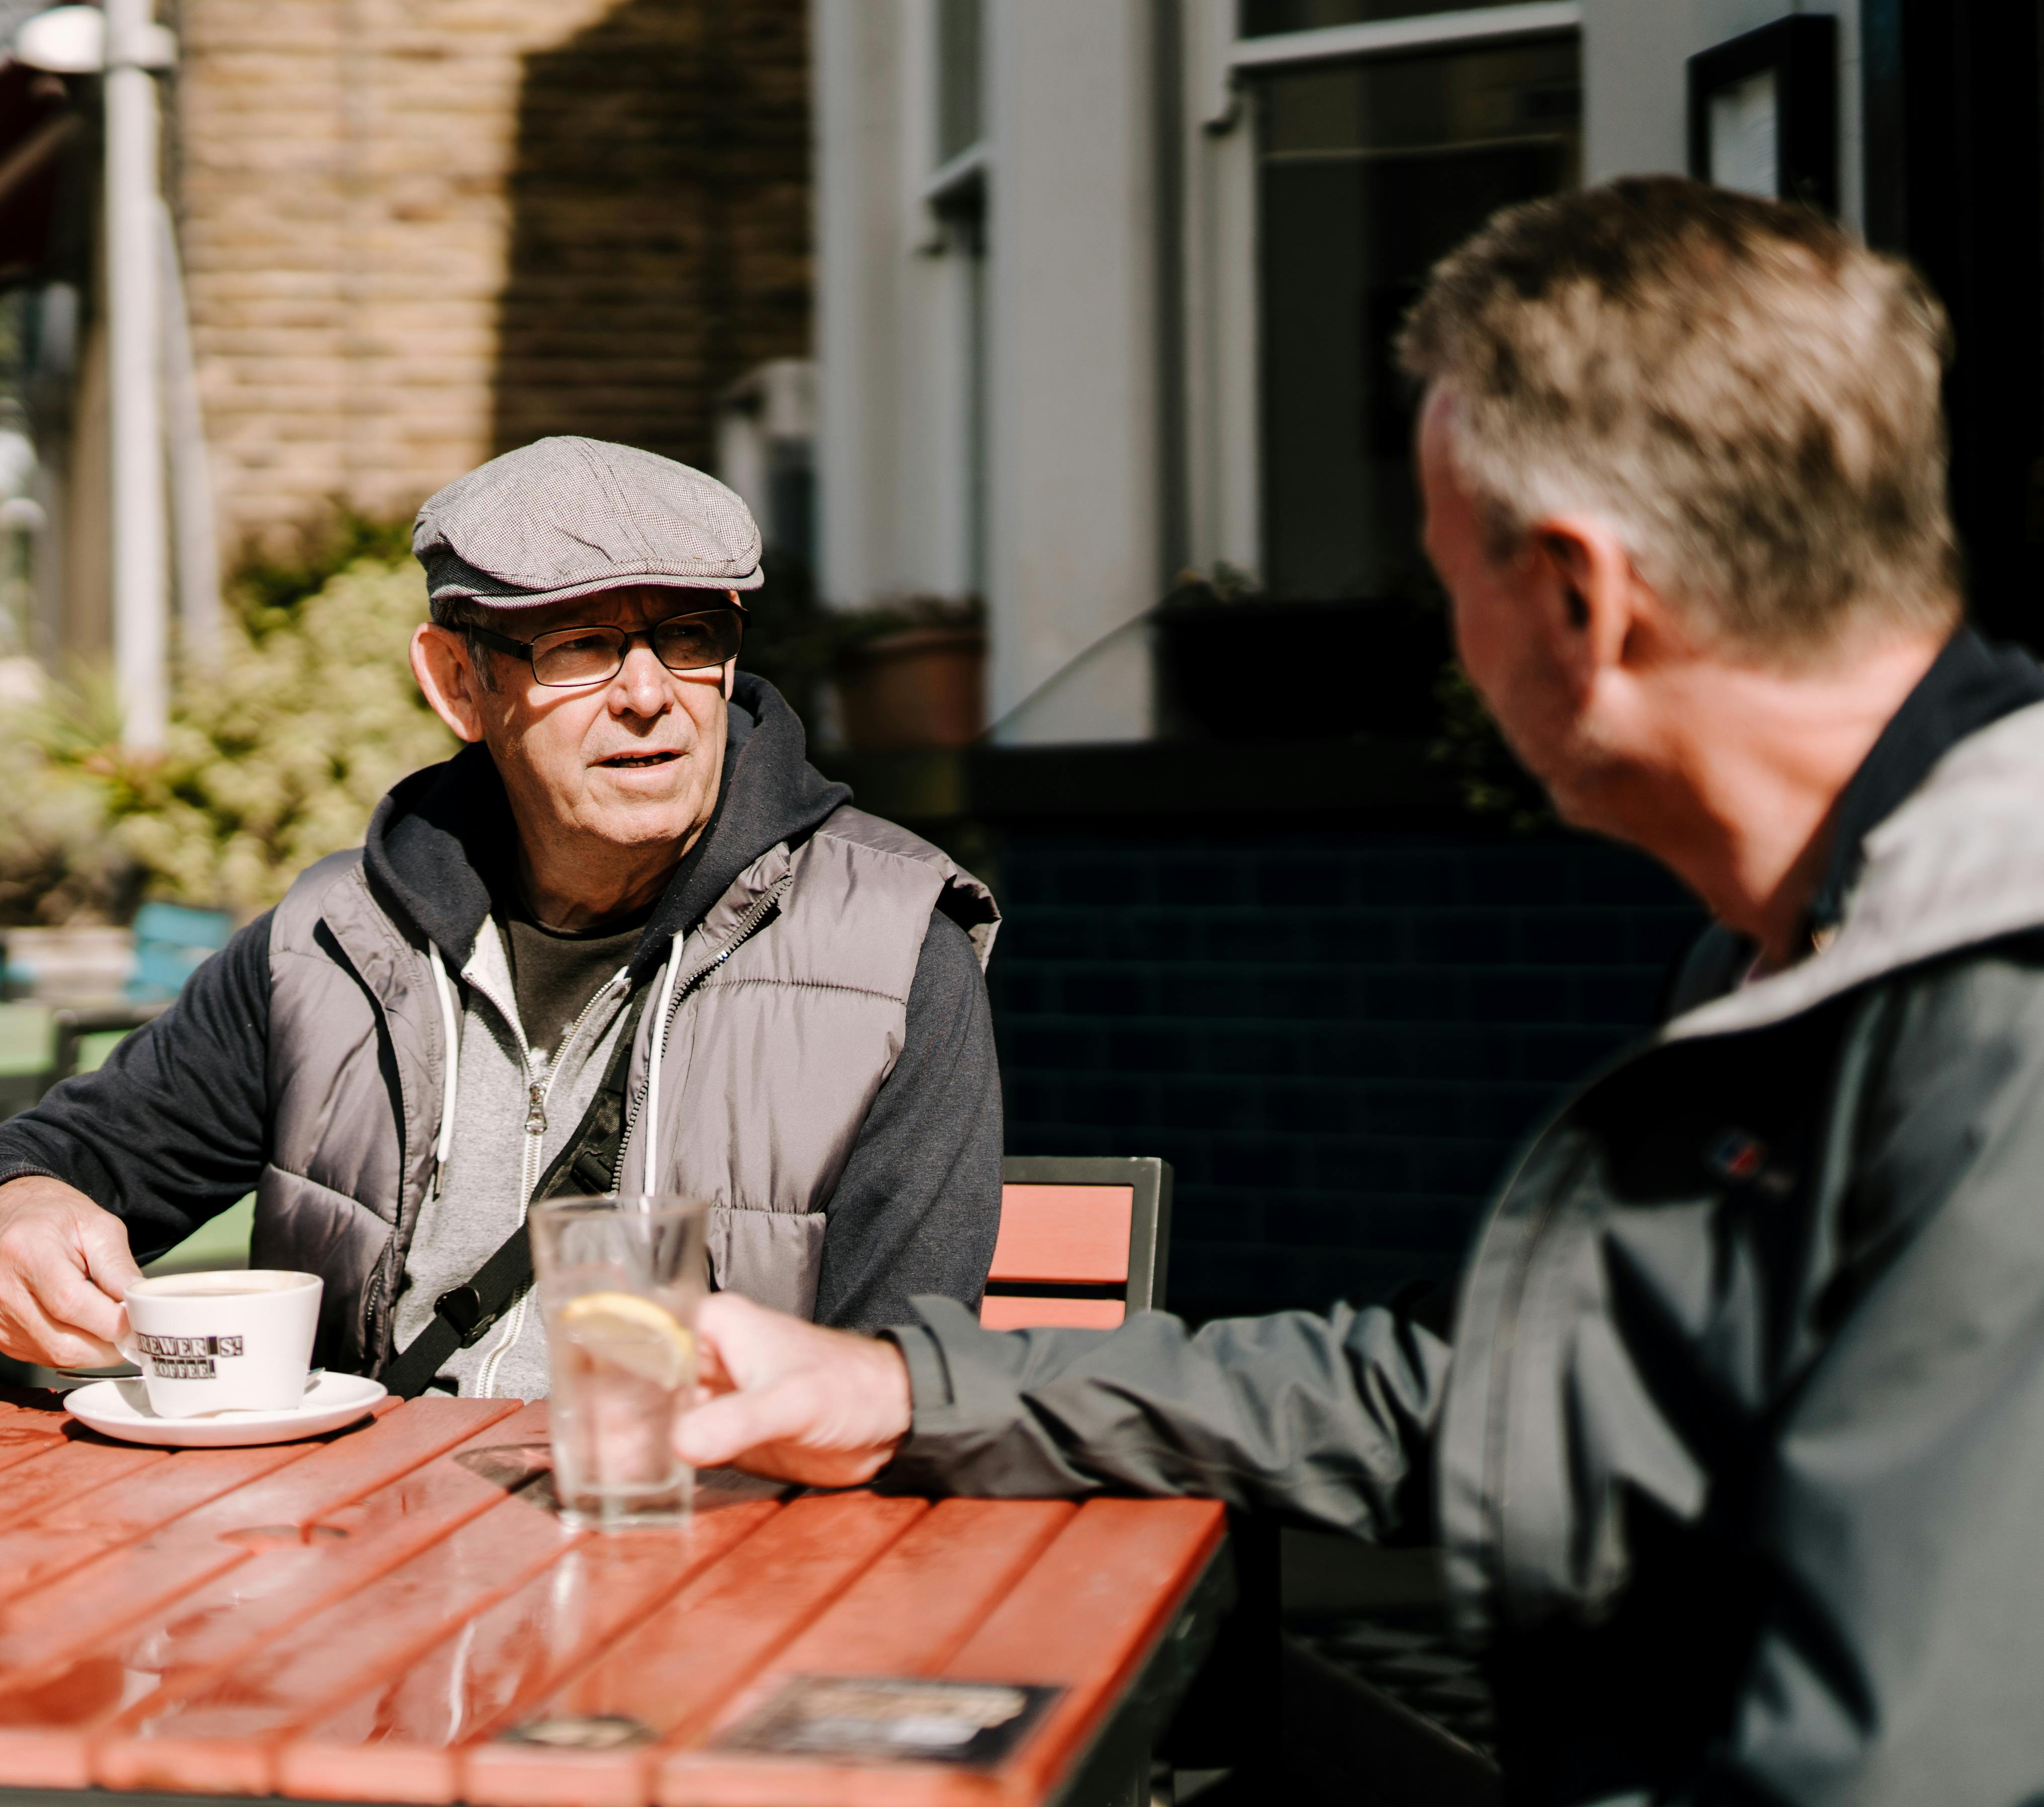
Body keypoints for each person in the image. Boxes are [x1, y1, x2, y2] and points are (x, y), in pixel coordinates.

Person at [673, 179, 2044, 1805]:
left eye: (1449, 576)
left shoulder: (1992, 1007)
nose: (1451, 645)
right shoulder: (1810, 947)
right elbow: (1457, 1393)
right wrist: (901, 1388)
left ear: (1580, 603)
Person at [0, 434, 1005, 1398]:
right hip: (362, 1560)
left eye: (687, 636)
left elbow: (900, 1386)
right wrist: (4, 1214)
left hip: (699, 1554)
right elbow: (26, 1164)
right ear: (460, 685)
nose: (647, 692)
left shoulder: (893, 944)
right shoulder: (335, 940)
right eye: (578, 643)